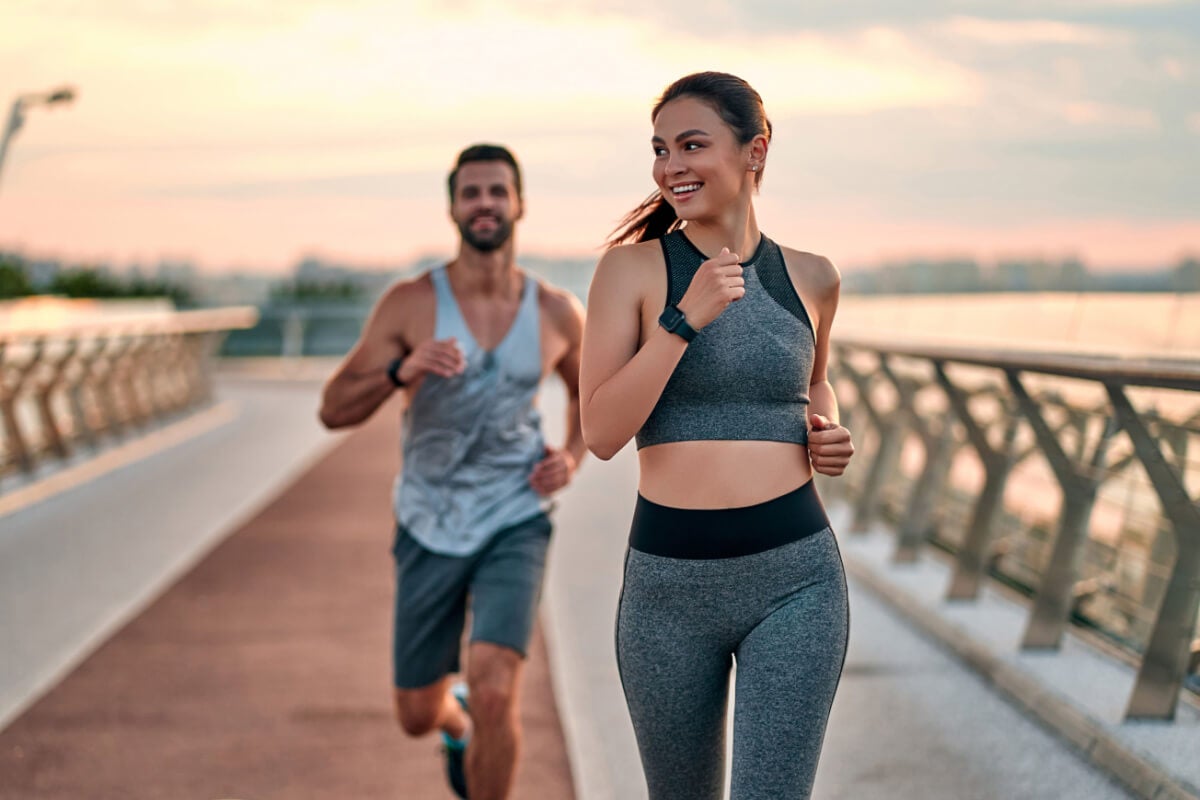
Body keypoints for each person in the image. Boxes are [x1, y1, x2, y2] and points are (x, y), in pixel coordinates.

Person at [578, 72, 856, 800]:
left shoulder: (814, 276)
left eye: (692, 144)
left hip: (796, 580)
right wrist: (683, 320)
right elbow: (602, 431)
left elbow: (813, 385)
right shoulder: (632, 270)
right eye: (661, 149)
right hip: (668, 588)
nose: (672, 166)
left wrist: (828, 434)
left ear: (754, 151)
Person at [319, 143, 586, 800]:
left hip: (516, 516)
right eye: (472, 193)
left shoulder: (555, 311)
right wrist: (398, 372)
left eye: (498, 191)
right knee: (414, 713)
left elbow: (591, 394)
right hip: (427, 520)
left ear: (519, 203)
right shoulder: (411, 304)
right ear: (452, 208)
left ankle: (479, 719)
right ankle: (453, 722)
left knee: (499, 691)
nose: (485, 204)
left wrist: (571, 456)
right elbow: (332, 410)